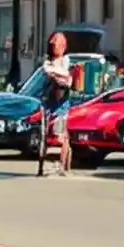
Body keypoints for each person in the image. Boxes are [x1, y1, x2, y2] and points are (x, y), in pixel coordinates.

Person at [41, 32, 74, 175]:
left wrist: (61, 75)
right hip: (50, 104)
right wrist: (61, 75)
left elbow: (68, 78)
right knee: (48, 134)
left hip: (62, 104)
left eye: (58, 43)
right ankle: (46, 164)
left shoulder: (66, 61)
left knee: (61, 134)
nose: (55, 44)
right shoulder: (47, 63)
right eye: (53, 42)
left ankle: (62, 164)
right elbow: (49, 71)